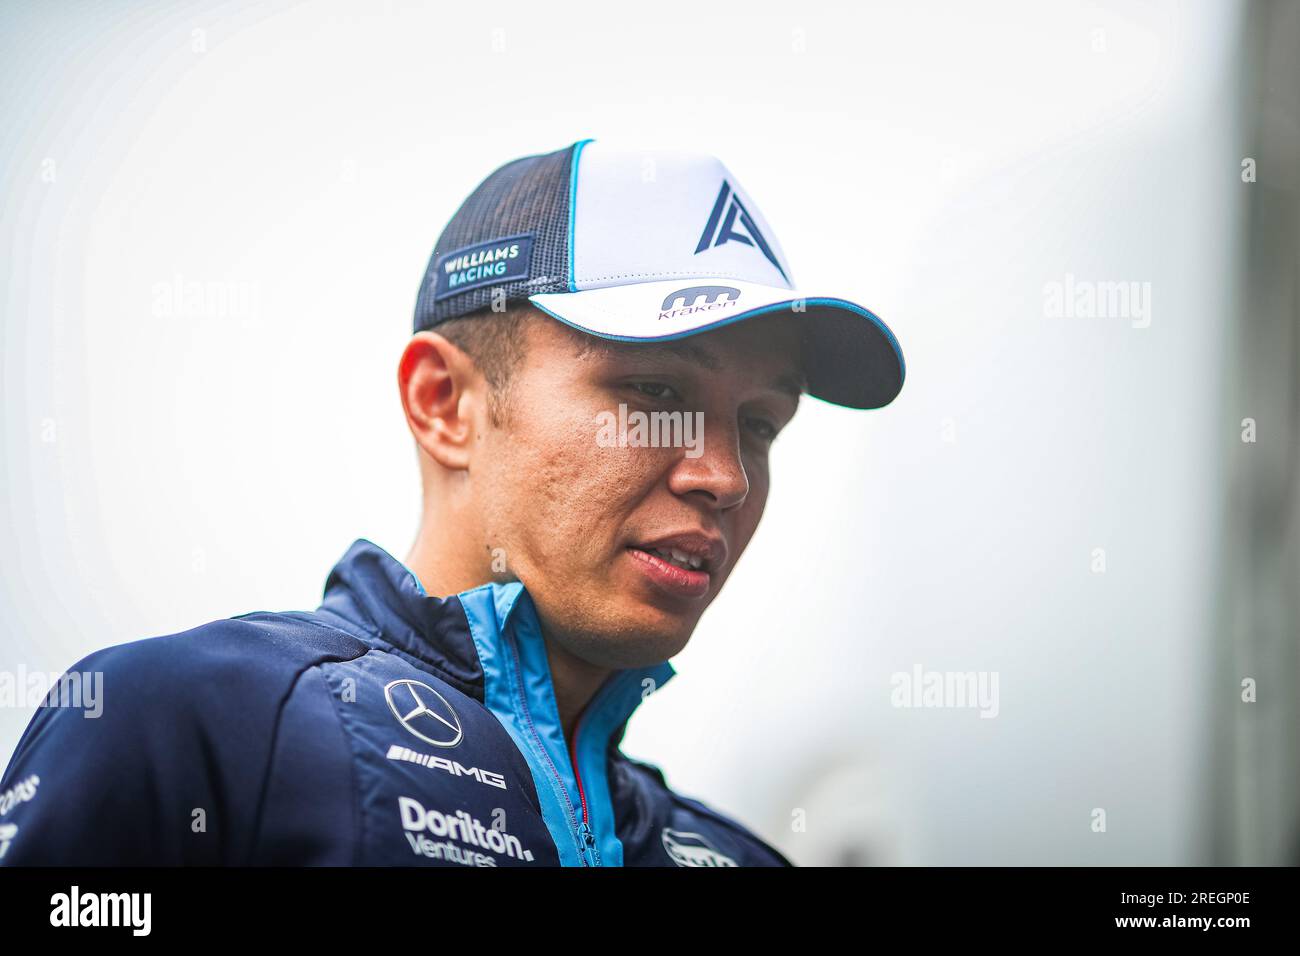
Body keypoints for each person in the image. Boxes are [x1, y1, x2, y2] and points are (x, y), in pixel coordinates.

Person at [0, 139, 904, 866]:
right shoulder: (185, 722)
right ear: (446, 404)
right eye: (656, 395)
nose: (724, 475)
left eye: (760, 424)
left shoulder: (736, 856)